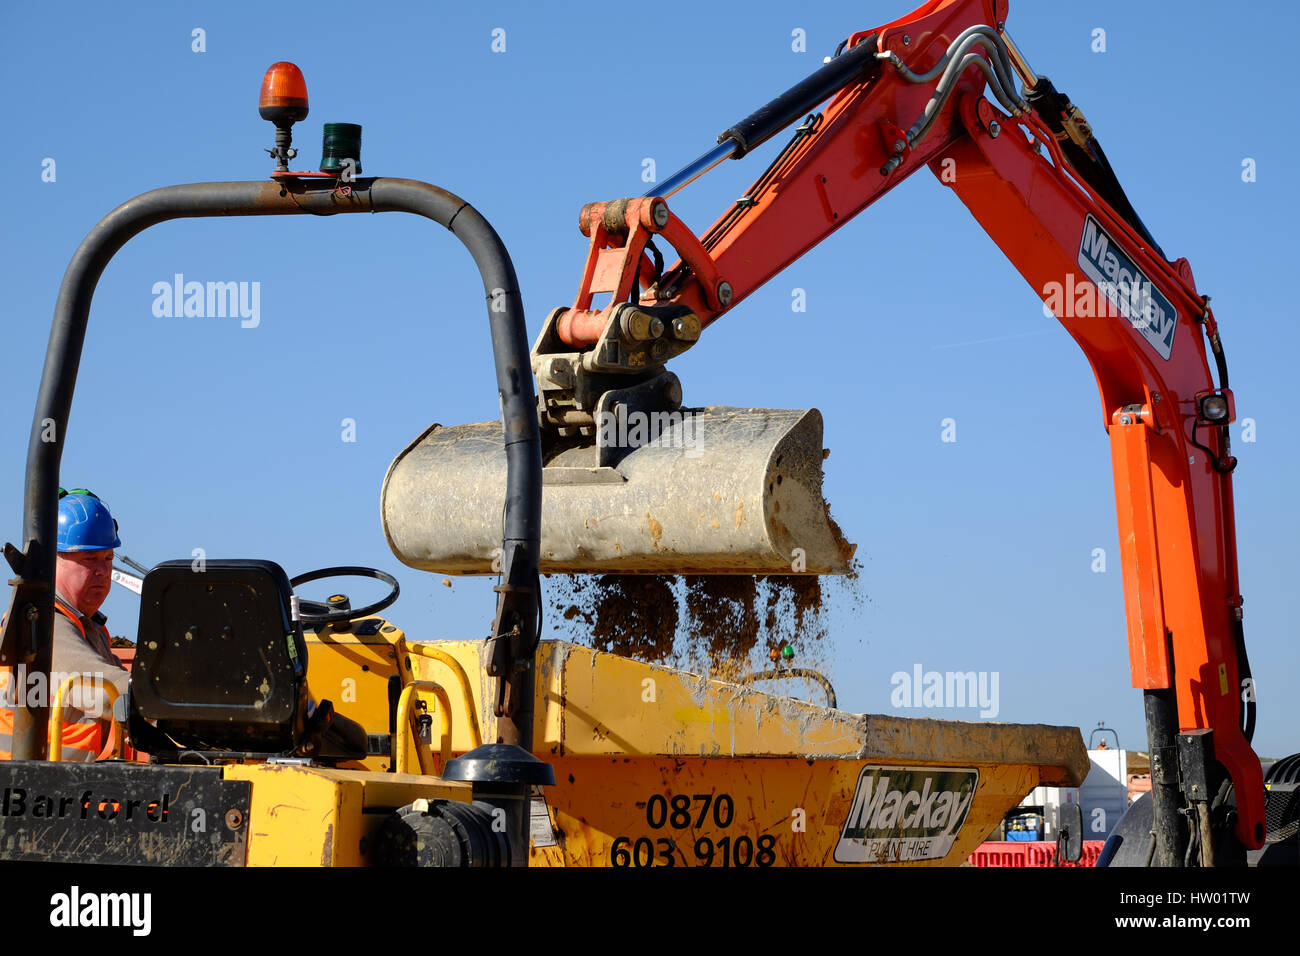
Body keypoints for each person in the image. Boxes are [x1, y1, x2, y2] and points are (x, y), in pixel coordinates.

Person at [0, 488, 130, 761]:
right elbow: (101, 691)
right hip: (29, 782)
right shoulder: (44, 624)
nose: (102, 571)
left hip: (60, 781)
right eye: (89, 559)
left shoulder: (88, 627)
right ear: (52, 561)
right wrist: (169, 697)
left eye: (108, 559)